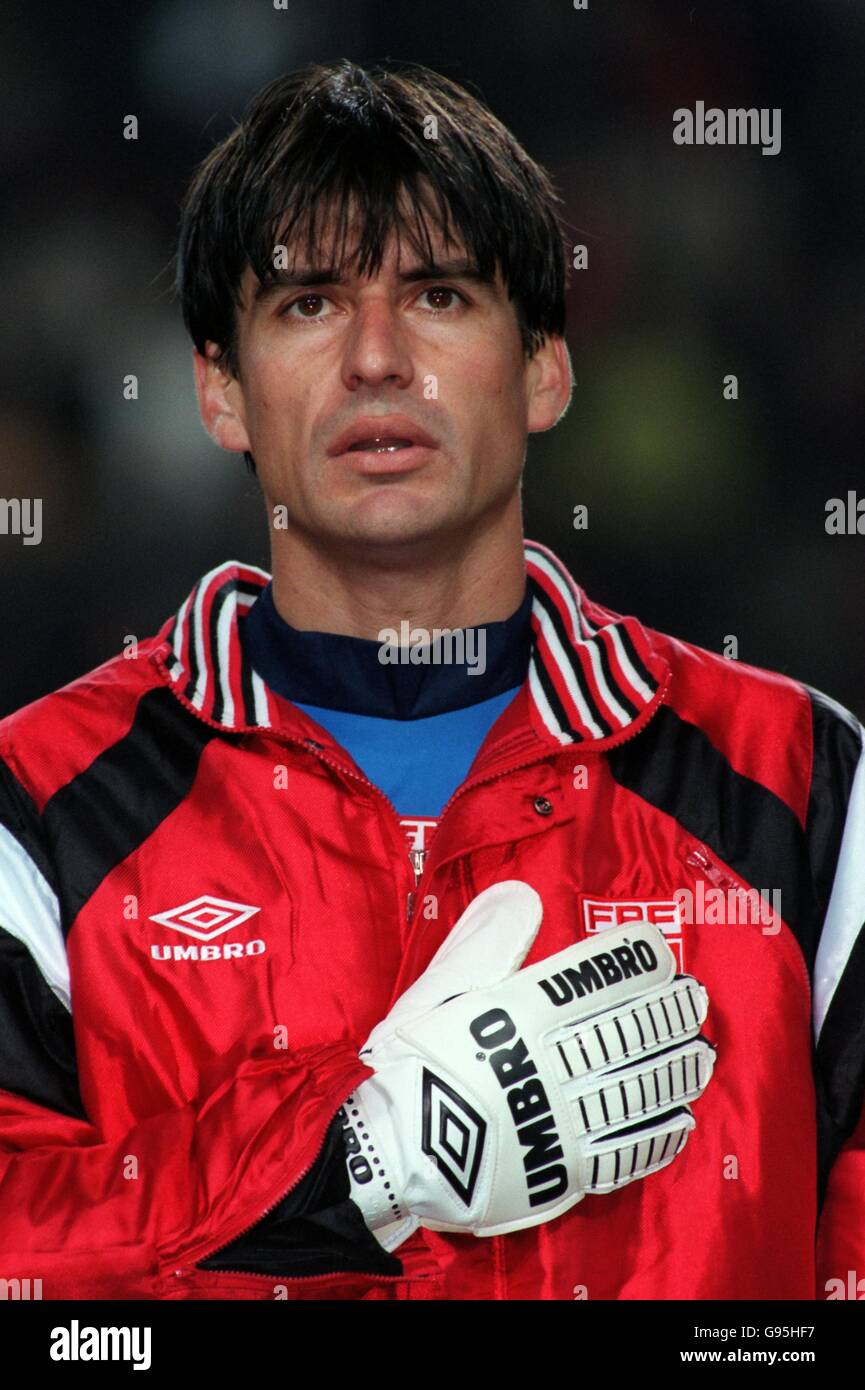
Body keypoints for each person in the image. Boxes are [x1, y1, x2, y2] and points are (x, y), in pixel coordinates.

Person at [0, 58, 861, 1302]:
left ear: (546, 370)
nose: (375, 358)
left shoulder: (803, 786)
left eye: (440, 295)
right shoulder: (35, 807)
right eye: (306, 304)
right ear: (218, 388)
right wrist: (355, 1160)